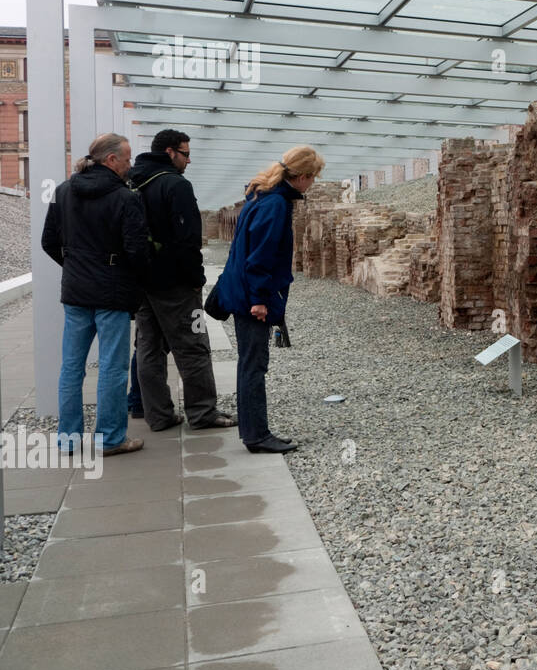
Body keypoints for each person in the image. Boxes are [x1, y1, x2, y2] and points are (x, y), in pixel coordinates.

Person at [41, 133, 150, 456]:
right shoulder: (126, 198)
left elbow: (49, 241)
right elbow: (137, 251)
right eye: (127, 159)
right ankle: (110, 439)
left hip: (76, 291)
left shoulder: (63, 191)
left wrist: (76, 265)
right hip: (112, 293)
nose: (130, 165)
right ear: (111, 160)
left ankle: (68, 439)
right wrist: (135, 284)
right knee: (113, 368)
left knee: (71, 368)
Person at [215, 145, 324, 454]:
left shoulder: (262, 196)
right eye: (313, 178)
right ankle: (256, 435)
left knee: (251, 363)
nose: (312, 183)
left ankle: (255, 431)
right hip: (250, 297)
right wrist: (260, 300)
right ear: (302, 176)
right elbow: (261, 256)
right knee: (254, 365)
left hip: (243, 291)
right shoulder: (275, 203)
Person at [128, 129, 234, 432]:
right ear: (170, 152)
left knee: (148, 348)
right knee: (194, 345)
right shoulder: (175, 185)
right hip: (176, 284)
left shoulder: (131, 182)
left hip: (142, 283)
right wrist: (196, 278)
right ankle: (202, 413)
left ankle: (158, 415)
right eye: (185, 154)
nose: (189, 160)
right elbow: (188, 239)